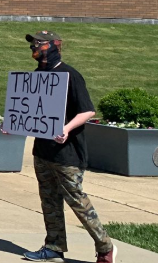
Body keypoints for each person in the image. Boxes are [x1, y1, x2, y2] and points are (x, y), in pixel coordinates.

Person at [22, 31, 116, 263]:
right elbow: (33, 111)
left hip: (68, 153)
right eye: (33, 43)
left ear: (54, 46)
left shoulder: (70, 75)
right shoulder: (38, 75)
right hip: (43, 151)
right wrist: (15, 124)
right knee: (49, 202)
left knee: (77, 201)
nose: (34, 47)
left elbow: (88, 110)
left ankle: (105, 247)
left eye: (40, 43)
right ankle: (54, 247)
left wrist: (66, 128)